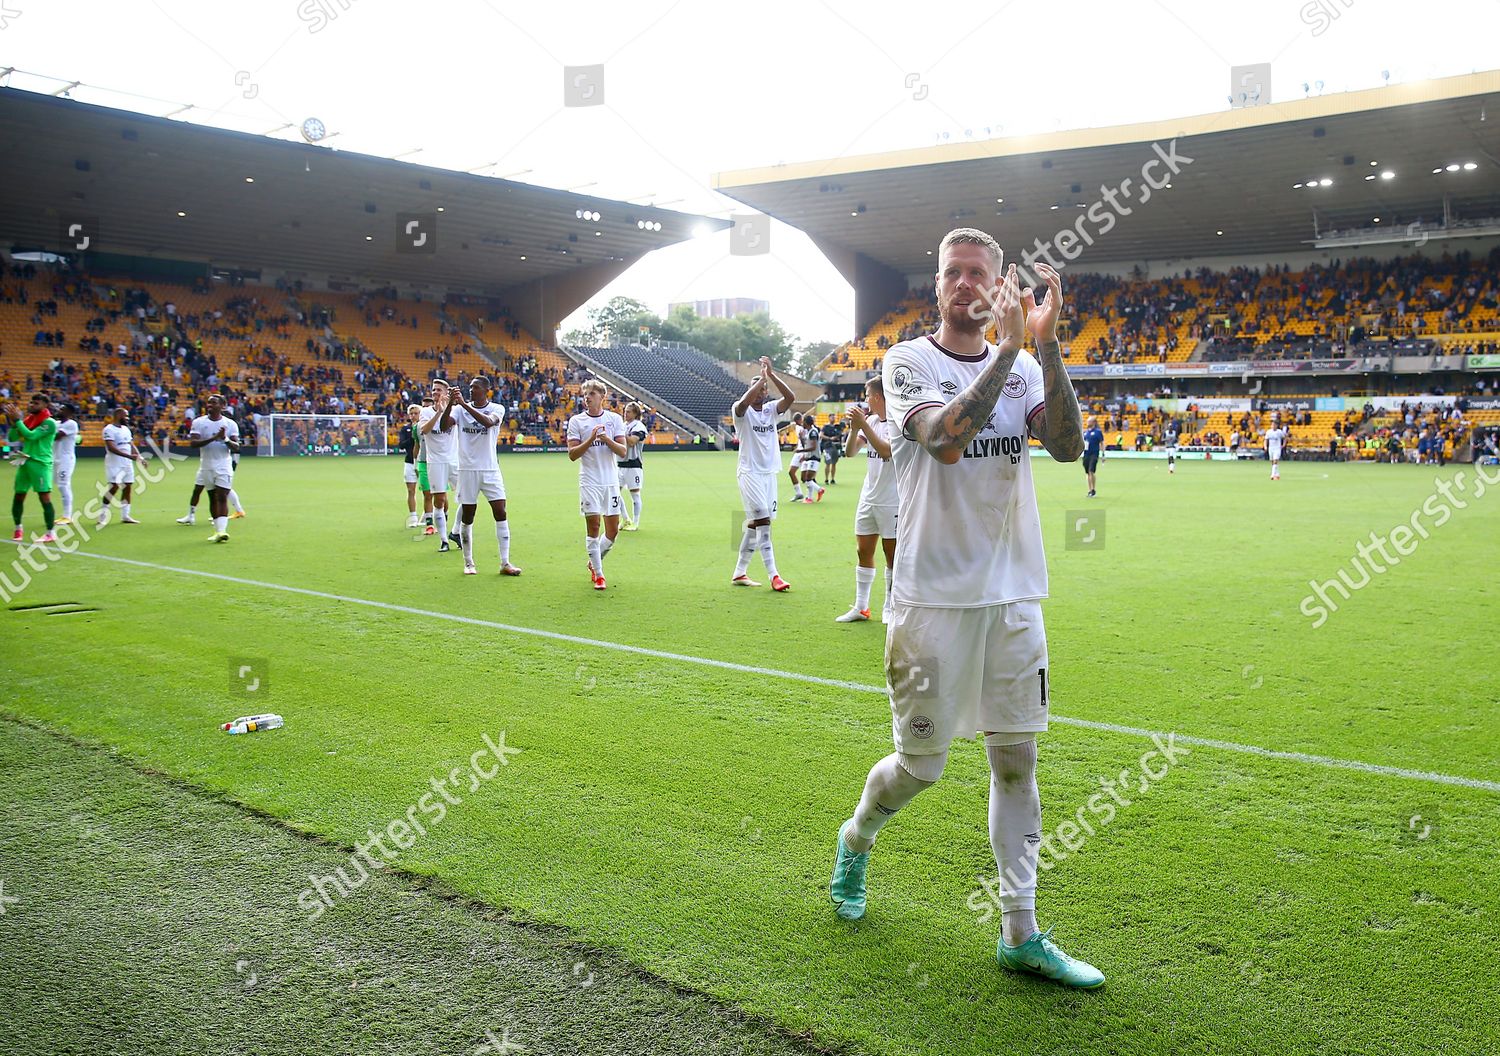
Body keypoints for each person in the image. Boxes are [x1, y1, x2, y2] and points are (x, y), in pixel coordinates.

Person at [828, 229, 1103, 988]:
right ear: (938, 283)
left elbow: (1064, 446)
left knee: (1017, 760)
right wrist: (1011, 354)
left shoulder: (1023, 365)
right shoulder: (908, 360)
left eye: (977, 272)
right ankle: (857, 839)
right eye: (951, 271)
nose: (962, 283)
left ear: (1001, 285)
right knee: (922, 767)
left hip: (1013, 593)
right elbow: (944, 441)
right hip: (931, 598)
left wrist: (1045, 347)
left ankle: (1021, 931)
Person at [731, 358, 794, 591]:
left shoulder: (771, 410)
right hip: (749, 473)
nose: (761, 392)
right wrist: (759, 381)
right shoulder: (741, 410)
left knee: (754, 524)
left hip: (769, 474)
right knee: (764, 522)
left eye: (764, 389)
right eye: (758, 388)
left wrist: (772, 375)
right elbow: (744, 402)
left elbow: (790, 398)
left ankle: (739, 572)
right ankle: (774, 575)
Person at [837, 379, 897, 623]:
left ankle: (890, 607)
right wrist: (854, 428)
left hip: (893, 500)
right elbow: (849, 453)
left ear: (878, 398)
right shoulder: (870, 422)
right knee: (863, 550)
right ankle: (861, 607)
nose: (865, 399)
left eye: (868, 395)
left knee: (891, 554)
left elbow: (885, 451)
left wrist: (863, 425)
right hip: (869, 497)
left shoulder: (897, 423)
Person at [450, 375, 522, 577]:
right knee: (468, 515)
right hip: (467, 469)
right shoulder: (458, 409)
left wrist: (463, 405)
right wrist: (450, 404)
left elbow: (489, 423)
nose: (471, 390)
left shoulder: (497, 408)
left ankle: (505, 562)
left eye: (476, 387)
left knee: (501, 511)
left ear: (486, 390)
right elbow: (446, 424)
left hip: (490, 469)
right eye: (470, 387)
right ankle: (468, 562)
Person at [567, 380, 627, 590]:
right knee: (593, 527)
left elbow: (622, 451)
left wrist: (606, 439)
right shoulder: (577, 421)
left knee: (612, 531)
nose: (587, 397)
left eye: (592, 393)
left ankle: (594, 562)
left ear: (602, 396)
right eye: (585, 394)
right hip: (589, 481)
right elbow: (572, 455)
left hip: (610, 481)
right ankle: (600, 575)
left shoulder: (614, 419)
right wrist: (591, 438)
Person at [184, 394, 241, 542]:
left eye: (213, 403)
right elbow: (193, 444)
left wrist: (225, 439)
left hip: (223, 465)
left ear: (222, 406)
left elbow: (236, 447)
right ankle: (217, 531)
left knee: (221, 497)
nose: (209, 405)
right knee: (212, 498)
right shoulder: (198, 422)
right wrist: (214, 438)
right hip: (206, 466)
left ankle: (222, 531)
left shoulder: (231, 424)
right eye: (208, 403)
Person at [5, 392, 60, 542]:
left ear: (45, 406)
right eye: (31, 402)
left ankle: (50, 533)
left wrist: (17, 420)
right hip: (24, 460)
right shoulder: (29, 420)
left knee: (44, 497)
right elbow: (12, 438)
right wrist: (13, 423)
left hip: (40, 462)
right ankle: (18, 529)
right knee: (19, 494)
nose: (32, 405)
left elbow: (30, 436)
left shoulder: (49, 423)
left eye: (36, 403)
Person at [421, 380, 458, 553]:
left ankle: (456, 531)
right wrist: (438, 413)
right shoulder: (426, 412)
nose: (435, 392)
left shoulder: (456, 410)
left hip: (454, 460)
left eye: (438, 390)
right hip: (435, 461)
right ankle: (444, 540)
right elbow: (424, 430)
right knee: (439, 500)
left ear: (446, 393)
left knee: (466, 498)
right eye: (433, 389)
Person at [97, 406, 146, 529]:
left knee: (128, 487)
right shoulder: (109, 429)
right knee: (114, 487)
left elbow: (131, 444)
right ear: (118, 415)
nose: (128, 418)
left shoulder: (126, 429)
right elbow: (112, 448)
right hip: (114, 463)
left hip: (127, 463)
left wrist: (140, 457)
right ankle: (102, 516)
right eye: (126, 415)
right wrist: (130, 456)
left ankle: (125, 516)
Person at [617, 402, 648, 531]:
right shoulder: (623, 425)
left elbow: (631, 442)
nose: (625, 413)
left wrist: (619, 433)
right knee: (614, 493)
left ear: (635, 413)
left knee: (635, 494)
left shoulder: (639, 426)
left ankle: (635, 522)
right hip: (619, 464)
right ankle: (625, 519)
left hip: (633, 465)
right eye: (625, 411)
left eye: (629, 411)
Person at [52, 402, 79, 524]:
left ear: (69, 413)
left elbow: (57, 436)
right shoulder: (56, 423)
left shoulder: (71, 424)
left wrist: (44, 433)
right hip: (55, 459)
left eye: (62, 409)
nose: (59, 410)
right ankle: (65, 515)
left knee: (63, 485)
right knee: (60, 485)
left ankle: (67, 516)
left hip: (66, 460)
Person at [399, 404, 422, 528]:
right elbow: (401, 445)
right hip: (409, 462)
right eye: (411, 413)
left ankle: (427, 515)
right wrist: (412, 436)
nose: (413, 416)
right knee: (410, 490)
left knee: (427, 491)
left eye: (416, 413)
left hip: (423, 462)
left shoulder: (425, 427)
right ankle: (413, 517)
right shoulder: (405, 429)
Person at [798, 418, 826, 503]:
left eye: (803, 422)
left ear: (807, 423)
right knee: (804, 478)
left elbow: (813, 447)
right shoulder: (808, 432)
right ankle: (810, 497)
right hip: (808, 457)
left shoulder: (813, 432)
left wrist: (801, 451)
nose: (802, 423)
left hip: (814, 457)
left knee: (808, 478)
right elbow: (806, 445)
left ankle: (815, 493)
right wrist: (801, 438)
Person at [1081, 415, 1104, 497]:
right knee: (1087, 472)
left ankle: (1093, 490)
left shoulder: (1098, 432)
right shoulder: (1085, 432)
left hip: (1094, 454)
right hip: (1086, 454)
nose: (1087, 422)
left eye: (1089, 421)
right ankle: (1089, 489)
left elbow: (1102, 443)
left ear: (1093, 422)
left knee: (1091, 471)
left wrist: (1103, 454)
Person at [787, 412, 807, 501]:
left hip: (801, 453)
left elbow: (803, 441)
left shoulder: (800, 428)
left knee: (792, 472)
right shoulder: (804, 427)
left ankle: (802, 493)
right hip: (802, 451)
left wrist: (804, 453)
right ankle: (799, 493)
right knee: (802, 476)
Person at [822, 416, 845, 485]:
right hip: (827, 446)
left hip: (836, 447)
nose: (833, 419)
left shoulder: (837, 427)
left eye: (834, 417)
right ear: (829, 418)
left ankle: (832, 479)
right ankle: (826, 479)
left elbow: (841, 433)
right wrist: (829, 438)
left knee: (834, 463)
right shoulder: (826, 427)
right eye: (832, 417)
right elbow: (821, 435)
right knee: (828, 463)